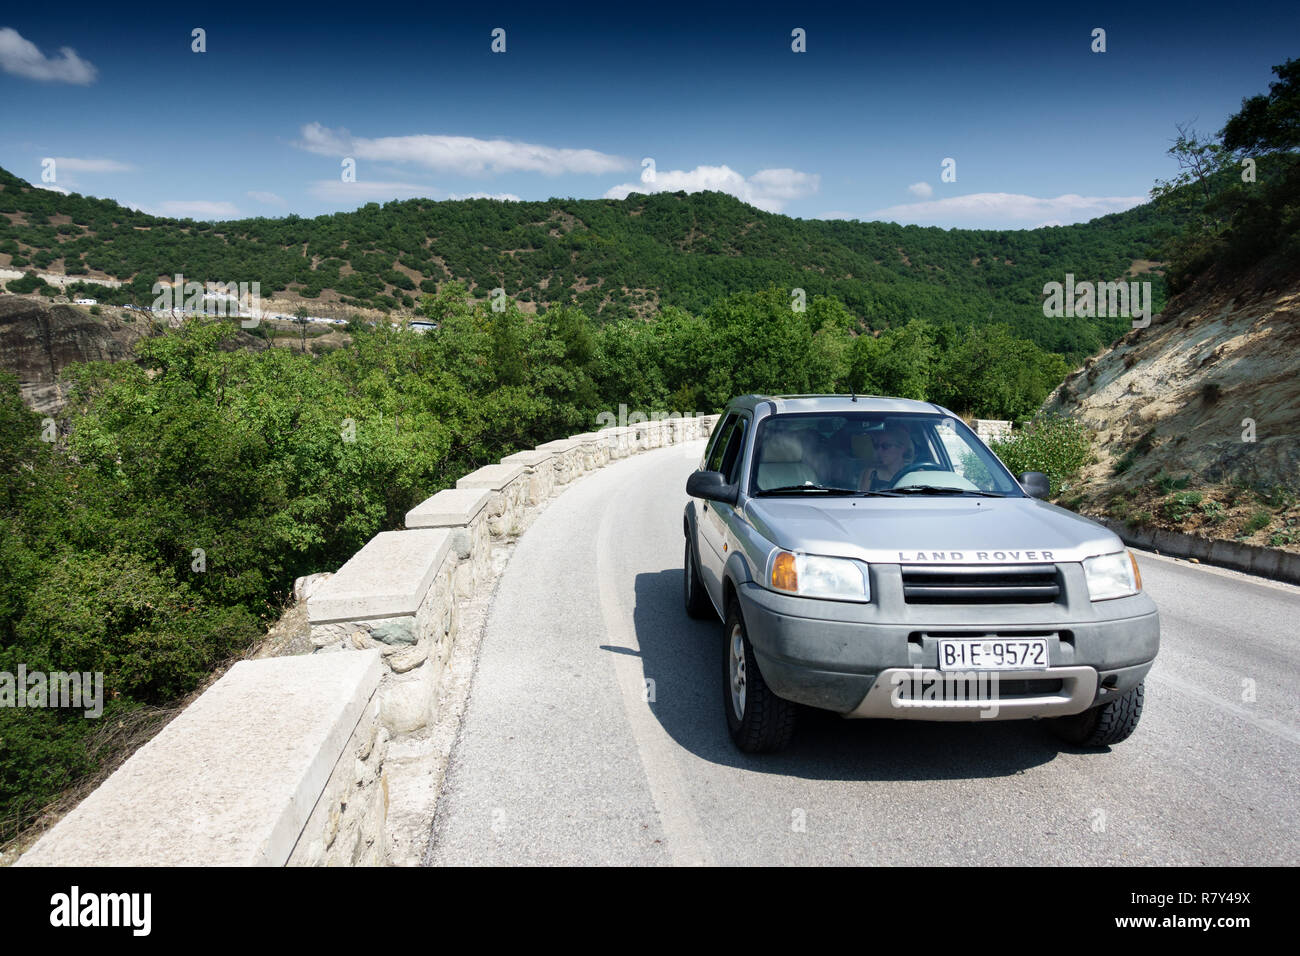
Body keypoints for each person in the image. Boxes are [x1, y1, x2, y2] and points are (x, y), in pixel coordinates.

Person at [858, 424, 914, 492]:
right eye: (877, 446)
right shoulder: (872, 473)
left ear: (902, 448)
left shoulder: (912, 474)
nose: (879, 451)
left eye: (885, 446)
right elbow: (862, 497)